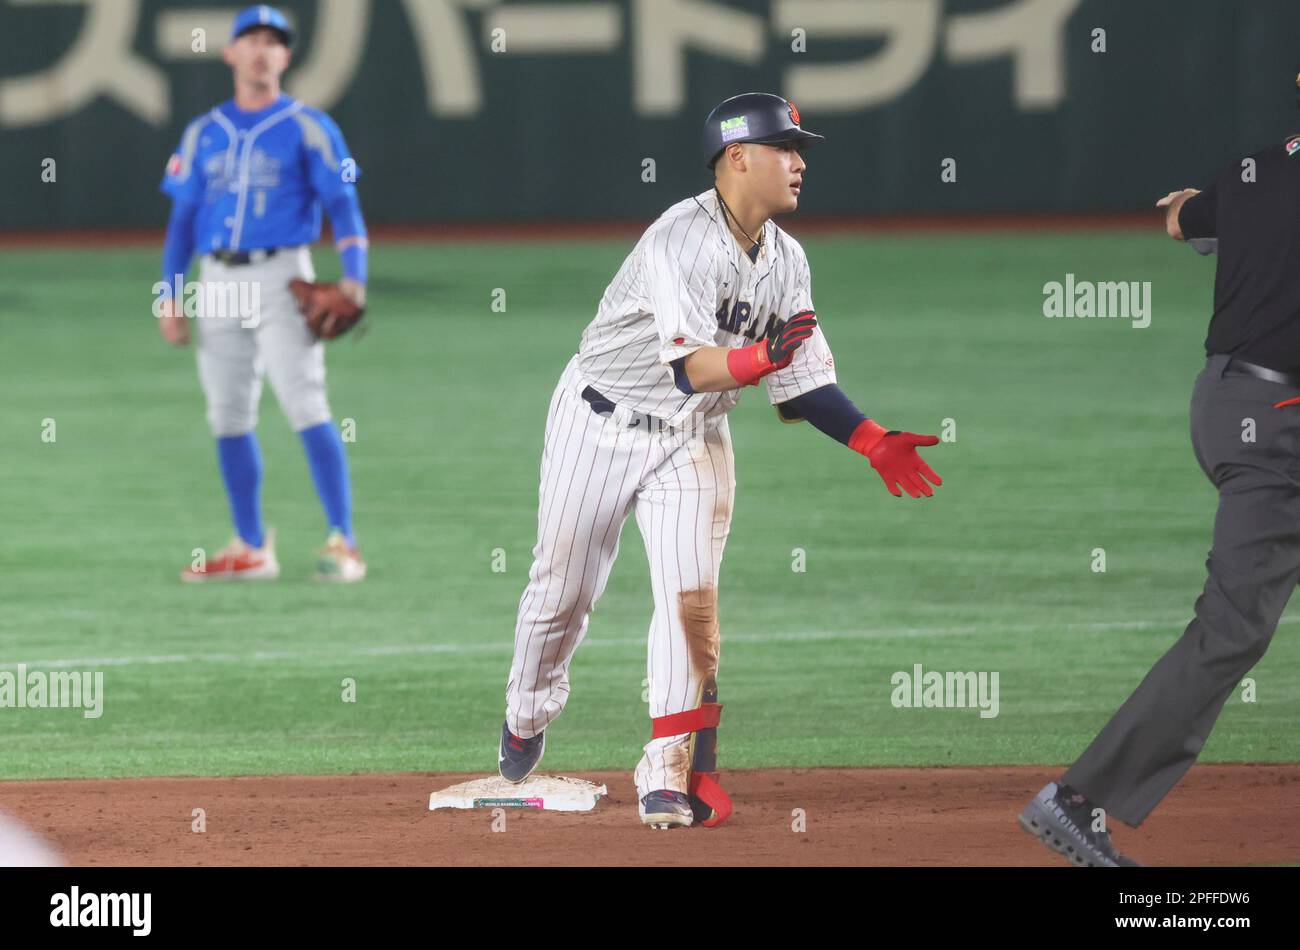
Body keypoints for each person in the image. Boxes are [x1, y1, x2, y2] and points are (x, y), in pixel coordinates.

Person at [497, 93, 943, 828]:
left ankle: (666, 771)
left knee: (691, 603)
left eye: (800, 150)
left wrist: (871, 439)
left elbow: (802, 387)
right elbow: (692, 368)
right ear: (738, 157)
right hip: (598, 421)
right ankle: (526, 710)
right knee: (561, 593)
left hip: (694, 439)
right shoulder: (680, 237)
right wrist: (763, 355)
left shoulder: (788, 260)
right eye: (785, 149)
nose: (800, 163)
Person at [1021, 77, 1300, 866]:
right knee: (1235, 625)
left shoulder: (1257, 168)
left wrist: (1195, 210)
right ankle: (1078, 799)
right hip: (1273, 428)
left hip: (1235, 402)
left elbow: (1181, 220)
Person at [158, 5, 368, 583]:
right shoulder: (204, 131)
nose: (261, 49)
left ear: (286, 56)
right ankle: (251, 546)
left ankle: (343, 540)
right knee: (227, 414)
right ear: (230, 53)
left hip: (282, 277)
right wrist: (167, 295)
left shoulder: (308, 125)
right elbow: (182, 221)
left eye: (273, 41)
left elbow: (343, 206)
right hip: (217, 279)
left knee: (305, 403)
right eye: (249, 38)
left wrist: (355, 276)